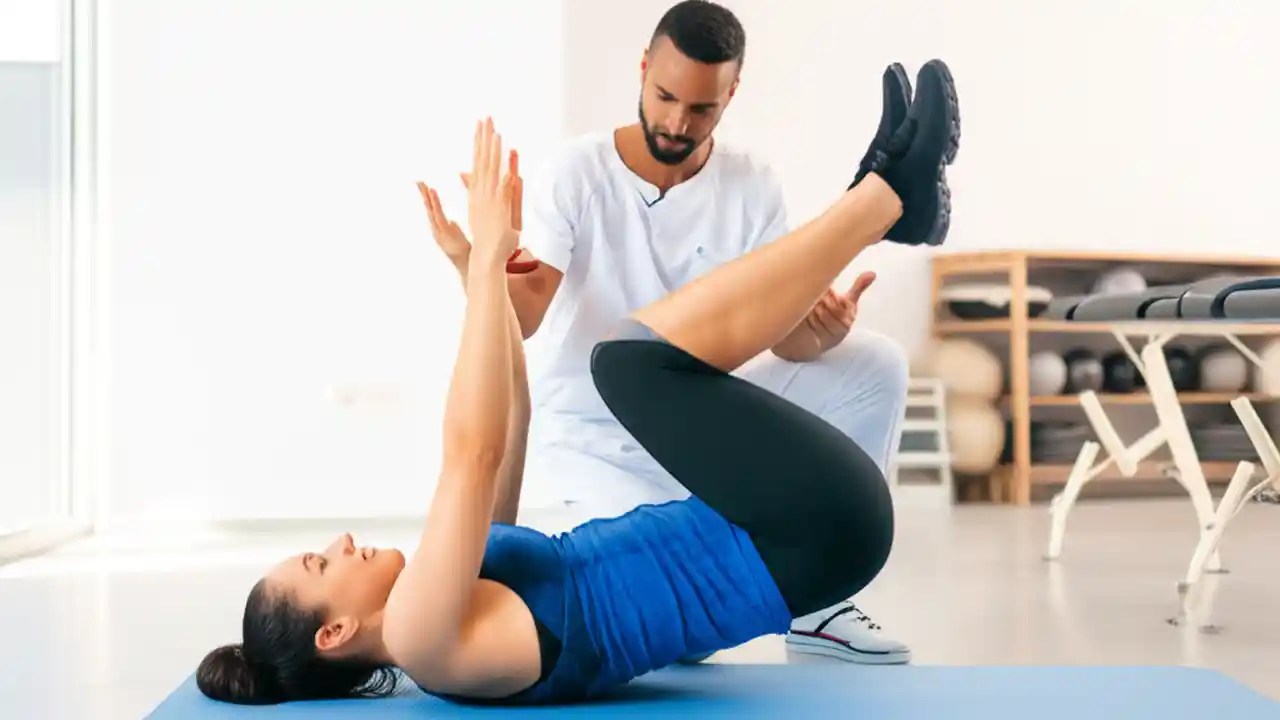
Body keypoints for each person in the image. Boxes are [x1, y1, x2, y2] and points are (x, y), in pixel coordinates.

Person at [194, 58, 960, 707]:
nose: (340, 544)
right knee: (630, 364)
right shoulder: (426, 641)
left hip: (781, 520)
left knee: (637, 362)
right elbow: (473, 452)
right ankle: (886, 200)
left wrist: (484, 274)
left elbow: (511, 416)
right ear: (335, 634)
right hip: (803, 536)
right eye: (321, 565)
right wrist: (493, 247)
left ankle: (884, 195)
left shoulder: (445, 593)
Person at [506, 0, 916, 663]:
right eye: (664, 96)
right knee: (683, 644)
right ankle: (883, 197)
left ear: (731, 94)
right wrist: (484, 265)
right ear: (643, 69)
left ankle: (820, 598)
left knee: (877, 366)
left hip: (702, 424)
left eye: (701, 109)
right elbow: (523, 316)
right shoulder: (577, 172)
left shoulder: (751, 185)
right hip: (597, 437)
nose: (675, 121)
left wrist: (822, 333)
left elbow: (784, 340)